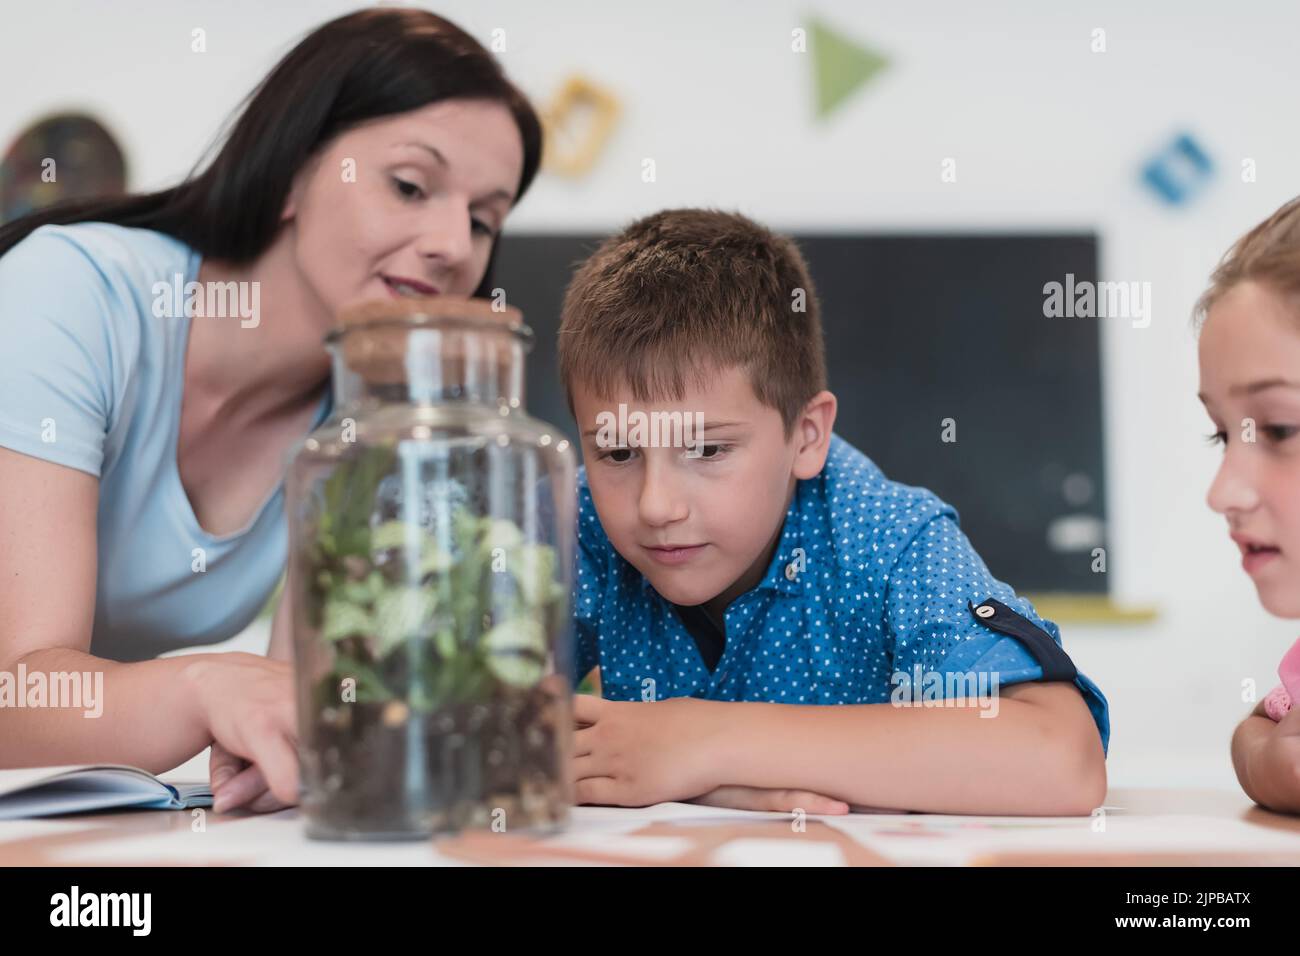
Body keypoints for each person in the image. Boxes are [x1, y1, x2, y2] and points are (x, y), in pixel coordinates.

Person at [0, 7, 542, 814]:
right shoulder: (70, 295)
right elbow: (21, 695)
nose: (451, 245)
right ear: (293, 168)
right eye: (409, 185)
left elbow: (307, 703)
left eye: (481, 218)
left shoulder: (364, 418)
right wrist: (201, 685)